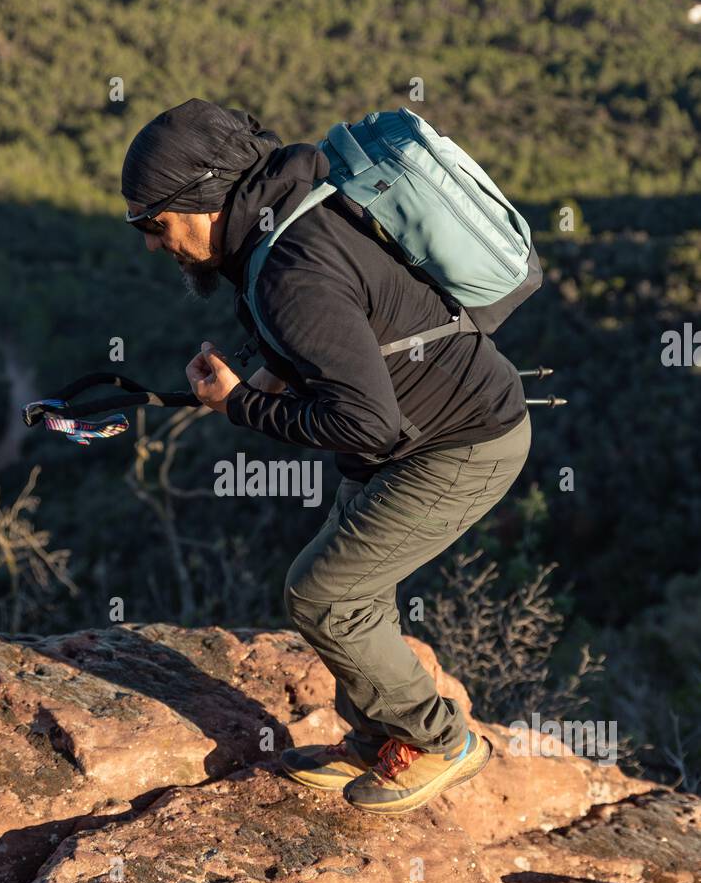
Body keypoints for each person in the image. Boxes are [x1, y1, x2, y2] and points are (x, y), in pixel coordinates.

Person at [121, 98, 532, 815]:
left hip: (458, 445)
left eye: (151, 224)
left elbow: (365, 423)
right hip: (426, 435)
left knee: (325, 594)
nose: (152, 244)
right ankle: (379, 740)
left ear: (203, 200)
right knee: (354, 585)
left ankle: (437, 742)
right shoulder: (281, 220)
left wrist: (238, 405)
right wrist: (262, 376)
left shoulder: (289, 272)